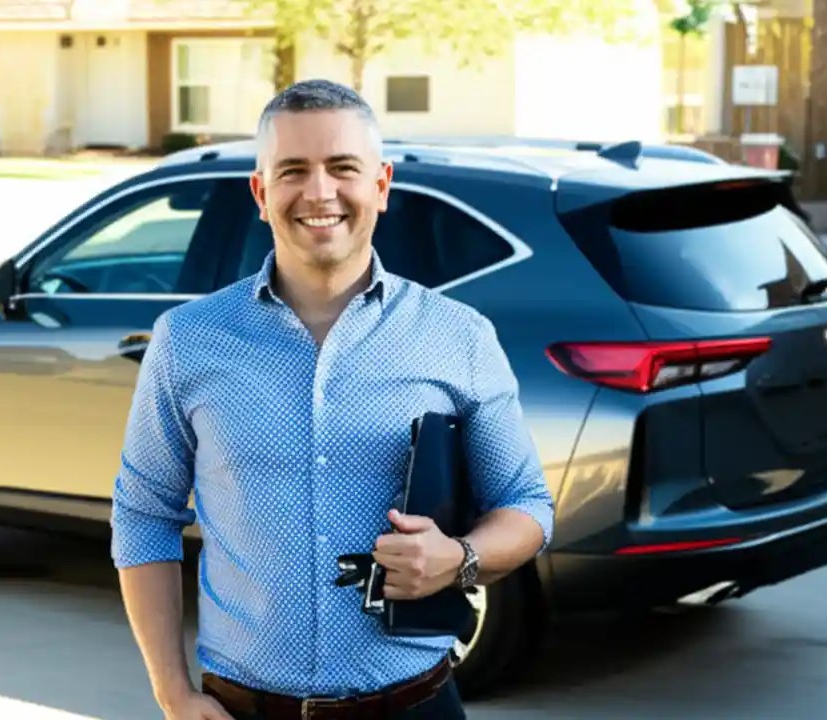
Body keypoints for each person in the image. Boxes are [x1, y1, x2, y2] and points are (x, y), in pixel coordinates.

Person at [110, 79, 554, 720]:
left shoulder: (458, 336)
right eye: (293, 170)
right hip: (243, 709)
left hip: (414, 704)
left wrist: (460, 559)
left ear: (381, 183)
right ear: (262, 193)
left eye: (343, 167)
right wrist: (171, 692)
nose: (319, 192)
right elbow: (143, 513)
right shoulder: (188, 340)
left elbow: (527, 506)